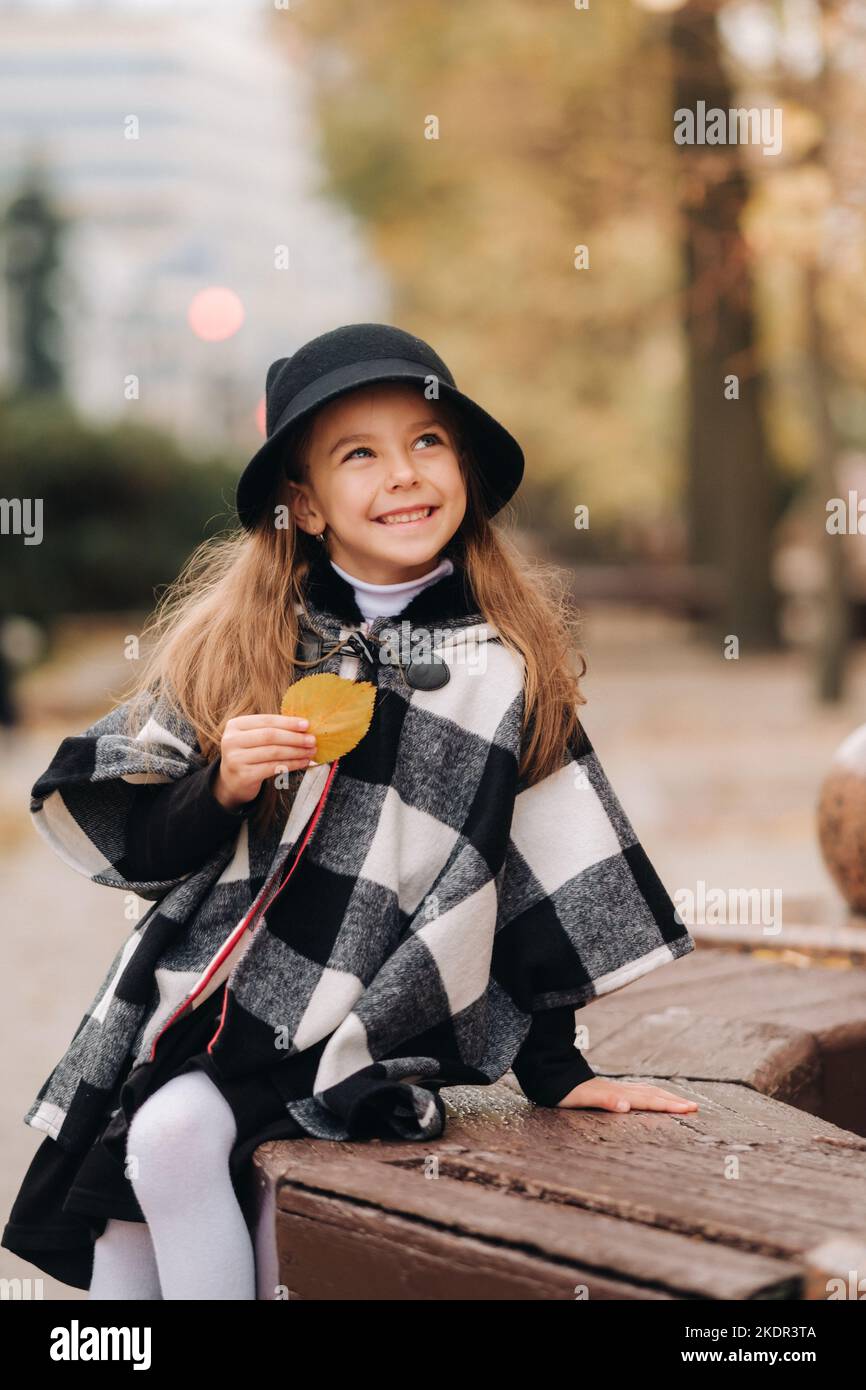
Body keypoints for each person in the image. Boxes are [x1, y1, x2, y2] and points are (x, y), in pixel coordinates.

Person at [1, 323, 697, 1300]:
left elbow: (539, 870)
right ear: (306, 503)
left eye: (425, 441)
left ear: (461, 466)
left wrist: (556, 1067)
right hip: (224, 1004)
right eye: (356, 454)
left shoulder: (499, 675)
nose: (401, 474)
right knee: (132, 1181)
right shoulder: (240, 647)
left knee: (233, 1186)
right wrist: (224, 785)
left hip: (368, 1024)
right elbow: (146, 839)